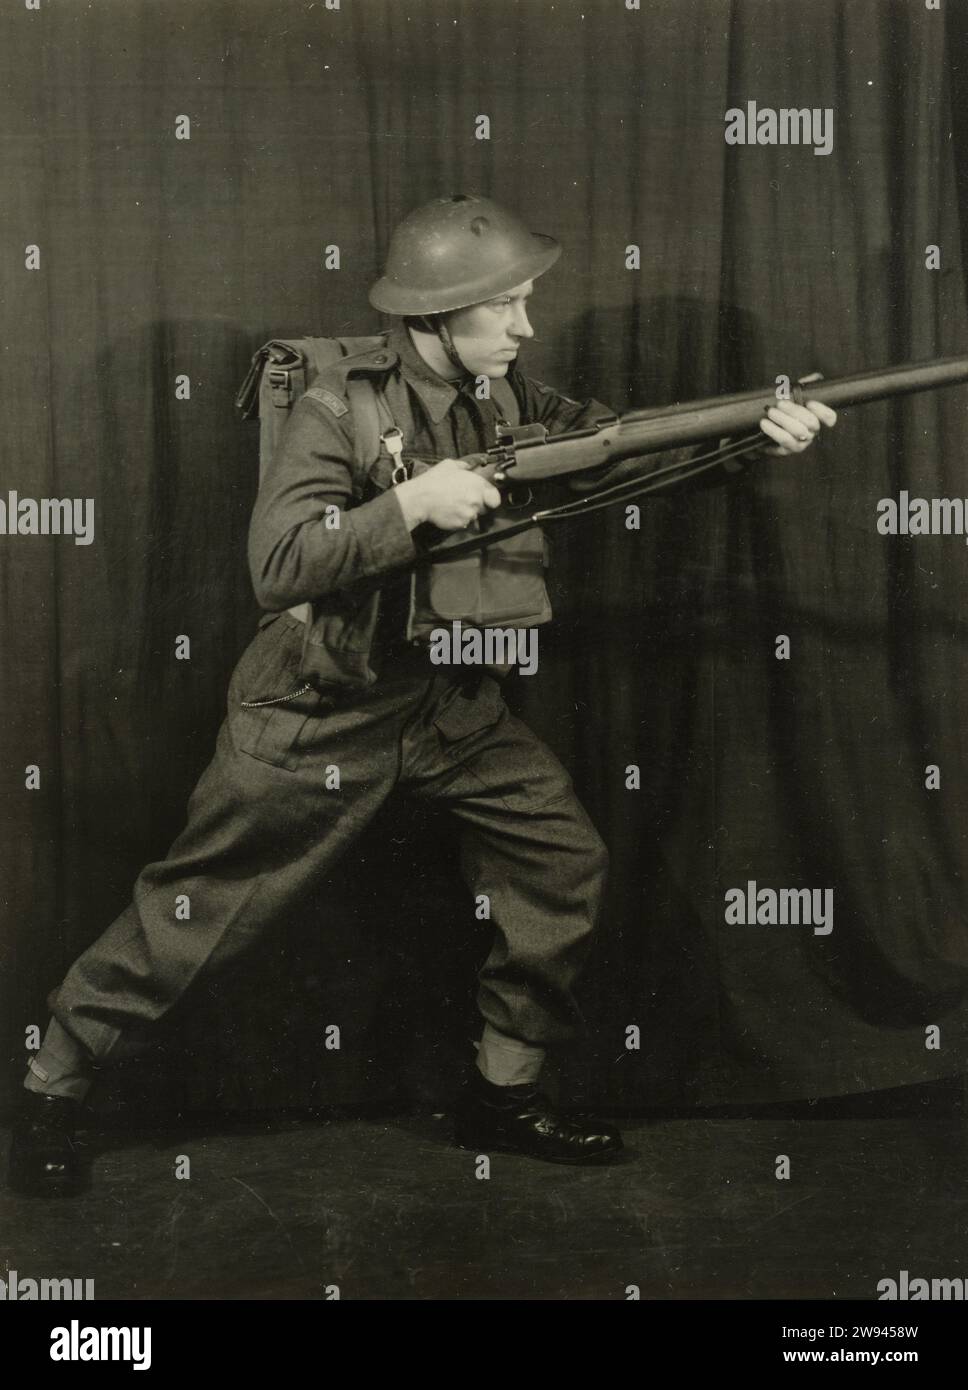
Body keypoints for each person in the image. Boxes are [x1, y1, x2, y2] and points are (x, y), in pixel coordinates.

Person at [7, 195, 837, 1194]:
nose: (526, 327)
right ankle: (52, 1083)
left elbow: (619, 447)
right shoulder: (338, 407)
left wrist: (756, 434)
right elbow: (277, 566)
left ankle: (502, 1088)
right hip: (319, 706)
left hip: (448, 702)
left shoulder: (505, 399)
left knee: (559, 863)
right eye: (508, 309)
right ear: (435, 318)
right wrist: (408, 503)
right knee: (197, 907)